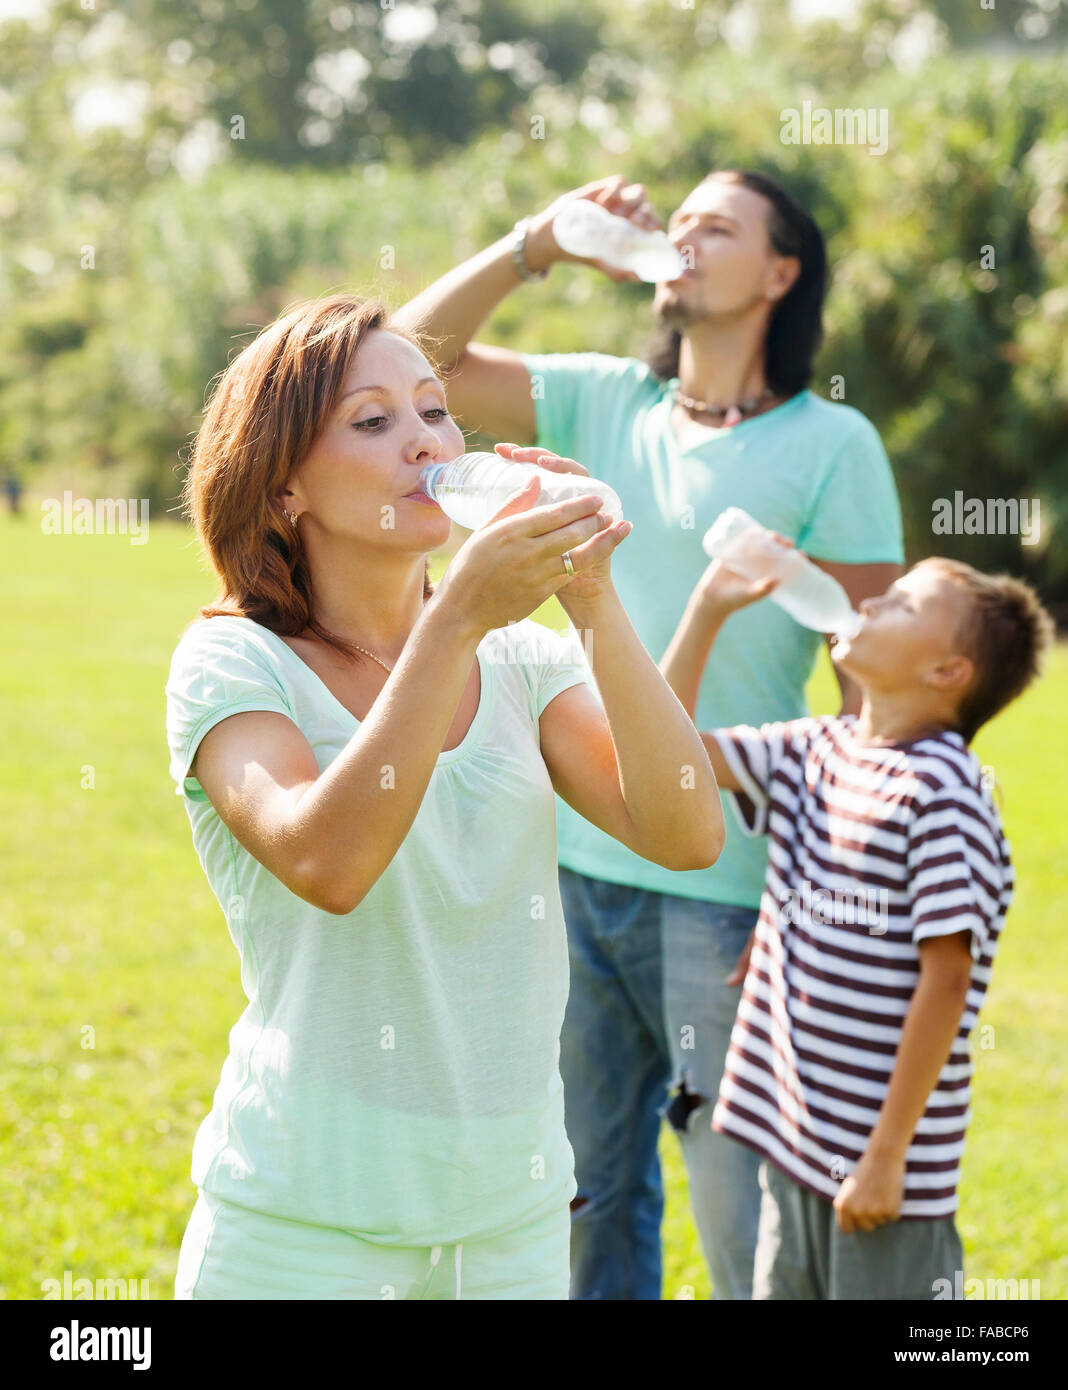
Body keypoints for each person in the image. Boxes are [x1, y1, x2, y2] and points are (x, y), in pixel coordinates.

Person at [395, 170, 905, 1299]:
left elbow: (878, 684)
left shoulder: (834, 444)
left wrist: (823, 883)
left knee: (741, 1213)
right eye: (673, 220)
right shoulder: (595, 402)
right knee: (582, 1197)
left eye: (715, 226)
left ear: (780, 274)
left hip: (728, 884)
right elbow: (398, 364)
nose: (682, 235)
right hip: (565, 863)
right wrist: (537, 243)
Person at [165, 293, 724, 1300]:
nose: (424, 442)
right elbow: (327, 861)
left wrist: (588, 596)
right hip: (303, 1221)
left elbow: (685, 829)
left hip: (507, 1222)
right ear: (281, 485)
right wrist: (456, 616)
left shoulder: (520, 654)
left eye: (433, 409)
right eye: (373, 422)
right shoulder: (231, 663)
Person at [659, 548, 1053, 1298]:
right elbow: (665, 753)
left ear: (948, 673)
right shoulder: (814, 749)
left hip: (879, 1177)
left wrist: (885, 1155)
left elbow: (947, 979)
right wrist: (707, 608)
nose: (869, 606)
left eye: (901, 605)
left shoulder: (943, 794)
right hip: (792, 1141)